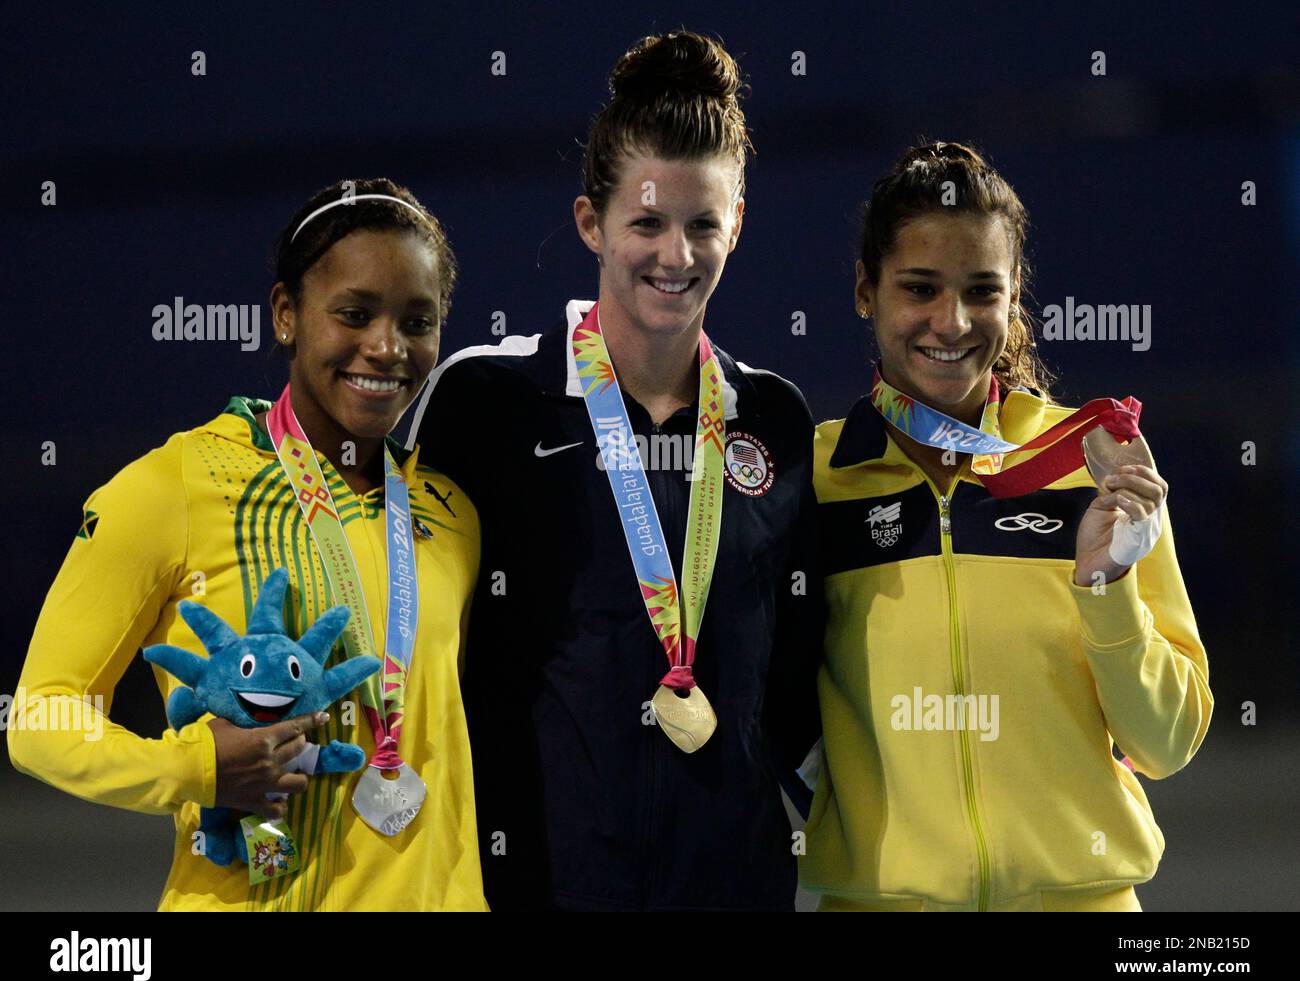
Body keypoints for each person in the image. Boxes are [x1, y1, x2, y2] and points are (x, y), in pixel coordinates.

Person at [406, 30, 823, 910]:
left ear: (737, 222)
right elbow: (403, 635)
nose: (676, 255)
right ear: (591, 223)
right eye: (647, 223)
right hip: (535, 890)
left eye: (702, 223)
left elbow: (800, 682)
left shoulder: (776, 421)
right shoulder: (486, 403)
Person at [9, 179, 486, 911]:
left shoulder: (449, 513)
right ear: (287, 315)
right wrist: (195, 767)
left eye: (417, 321)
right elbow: (40, 718)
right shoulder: (176, 485)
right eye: (355, 314)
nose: (387, 347)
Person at [799, 140, 1213, 911]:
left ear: (1014, 294)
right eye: (919, 287)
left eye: (981, 290)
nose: (950, 322)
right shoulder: (814, 483)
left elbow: (1168, 741)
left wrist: (1107, 584)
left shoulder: (1092, 464)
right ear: (866, 290)